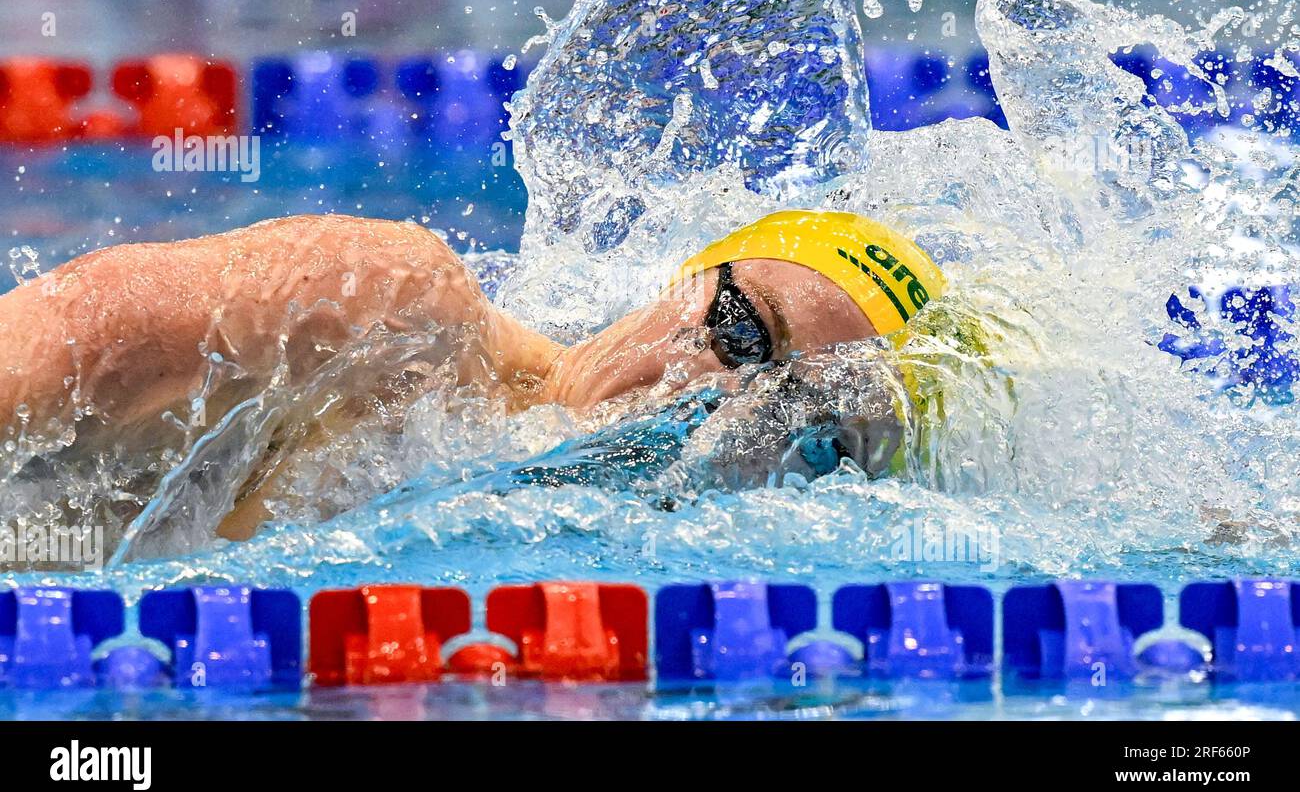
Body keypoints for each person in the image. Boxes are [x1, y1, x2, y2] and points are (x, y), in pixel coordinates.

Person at [0, 209, 945, 537]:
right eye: (745, 331)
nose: (734, 398)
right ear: (685, 278)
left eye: (809, 414)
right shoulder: (392, 310)